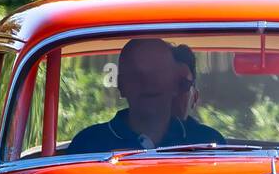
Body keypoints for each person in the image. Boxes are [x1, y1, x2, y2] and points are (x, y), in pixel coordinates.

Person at [66, 38, 225, 154]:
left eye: (158, 74)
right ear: (121, 85)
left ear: (175, 85)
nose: (148, 83)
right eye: (136, 75)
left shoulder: (208, 142)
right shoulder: (88, 145)